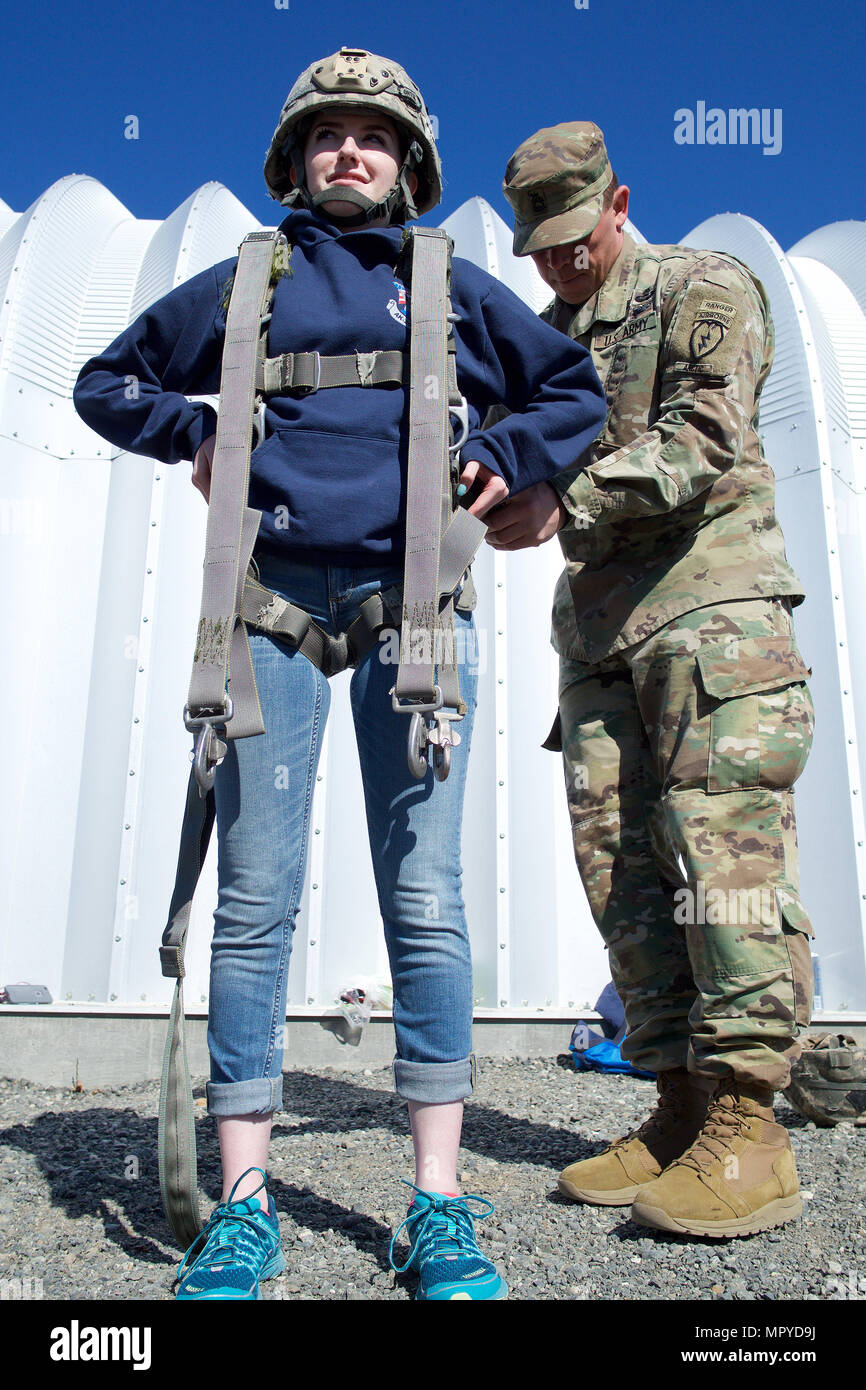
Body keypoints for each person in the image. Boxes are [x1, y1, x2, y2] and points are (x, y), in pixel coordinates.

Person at [73, 55, 607, 1299]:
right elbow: (110, 380)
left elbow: (566, 387)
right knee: (253, 906)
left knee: (424, 900)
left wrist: (510, 453)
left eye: (373, 137)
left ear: (409, 163)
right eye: (327, 137)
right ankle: (244, 1205)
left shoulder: (448, 285)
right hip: (264, 616)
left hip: (415, 619)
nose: (348, 153)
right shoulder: (248, 280)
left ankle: (436, 1204)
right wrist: (198, 430)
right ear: (296, 161)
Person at [486, 121, 815, 1239]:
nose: (563, 264)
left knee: (723, 861)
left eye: (577, 238)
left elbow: (702, 434)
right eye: (543, 249)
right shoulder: (538, 343)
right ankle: (676, 1104)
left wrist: (560, 504)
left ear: (619, 203)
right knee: (620, 869)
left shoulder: (701, 285)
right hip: (595, 643)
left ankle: (750, 1124)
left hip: (708, 618)